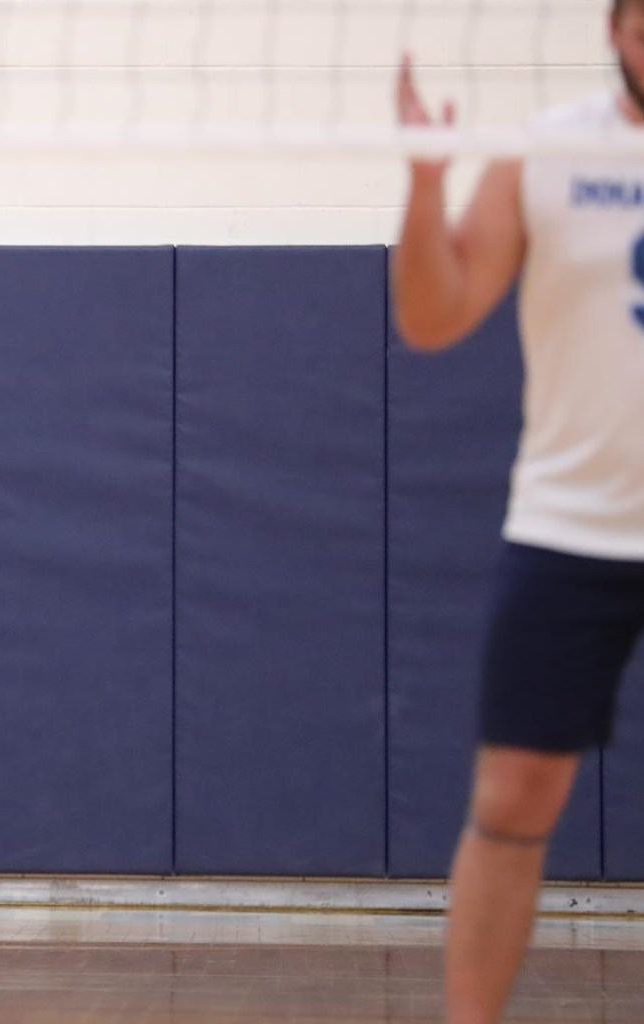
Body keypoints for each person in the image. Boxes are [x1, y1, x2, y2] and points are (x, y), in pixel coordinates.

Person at [395, 6, 644, 1018]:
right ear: (616, 27)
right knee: (507, 804)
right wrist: (421, 186)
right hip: (570, 530)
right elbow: (430, 315)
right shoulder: (543, 154)